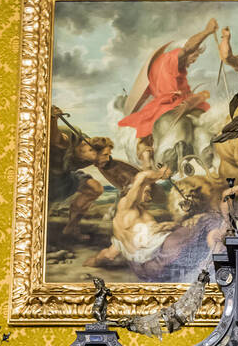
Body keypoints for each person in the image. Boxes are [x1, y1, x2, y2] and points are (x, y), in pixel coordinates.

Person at [118, 19, 218, 141]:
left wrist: (200, 96)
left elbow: (185, 92)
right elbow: (188, 48)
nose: (195, 59)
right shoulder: (170, 58)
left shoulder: (179, 68)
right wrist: (207, 32)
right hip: (165, 105)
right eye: (195, 55)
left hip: (179, 102)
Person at [48, 107, 115, 242]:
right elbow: (56, 140)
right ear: (92, 150)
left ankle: (71, 228)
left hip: (66, 176)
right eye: (105, 155)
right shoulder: (72, 137)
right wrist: (53, 119)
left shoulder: (91, 155)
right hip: (49, 179)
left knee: (95, 188)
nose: (107, 159)